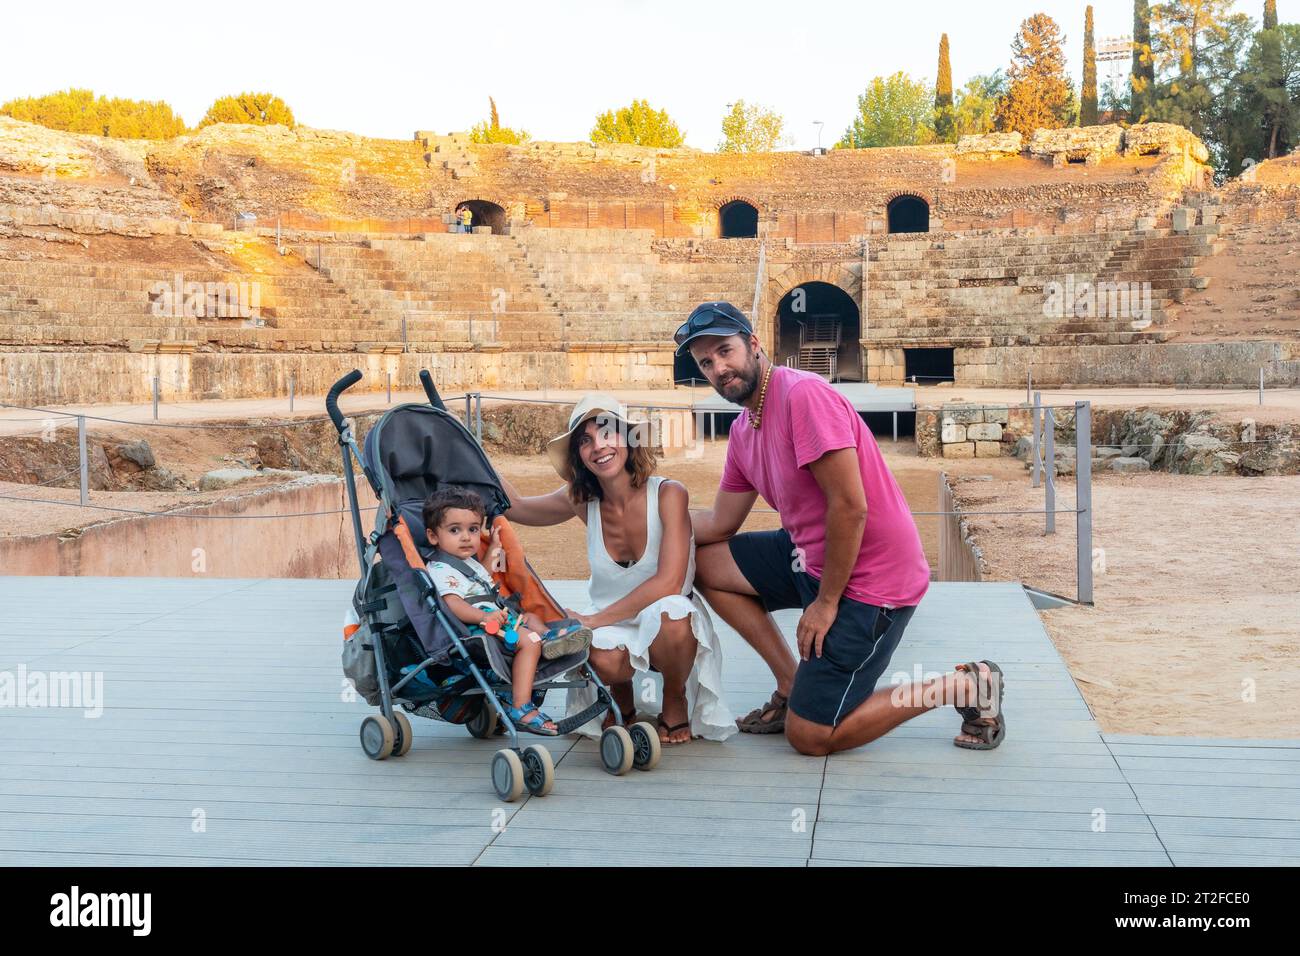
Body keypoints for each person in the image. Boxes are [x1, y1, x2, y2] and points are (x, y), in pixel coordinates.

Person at [681, 301, 1006, 756]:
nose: (719, 367)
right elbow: (719, 523)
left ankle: (965, 685)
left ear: (753, 345)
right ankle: (792, 684)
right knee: (706, 561)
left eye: (725, 351)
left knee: (812, 737)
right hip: (811, 555)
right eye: (706, 362)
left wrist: (825, 603)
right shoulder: (742, 430)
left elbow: (851, 507)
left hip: (872, 578)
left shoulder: (802, 397)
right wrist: (643, 519)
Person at [498, 395, 735, 744]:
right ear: (579, 454)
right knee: (595, 656)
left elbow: (669, 582)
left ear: (628, 438)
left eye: (608, 433)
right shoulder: (581, 500)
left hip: (662, 617)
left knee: (672, 614)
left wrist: (593, 620)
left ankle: (674, 697)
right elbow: (516, 509)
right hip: (612, 620)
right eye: (586, 440)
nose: (599, 447)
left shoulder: (669, 494)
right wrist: (470, 453)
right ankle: (622, 702)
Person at [422, 487, 589, 735]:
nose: (466, 537)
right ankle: (520, 706)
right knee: (528, 641)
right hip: (478, 630)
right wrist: (483, 617)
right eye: (455, 530)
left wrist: (495, 548)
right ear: (433, 536)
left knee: (532, 617)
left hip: (500, 620)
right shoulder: (439, 569)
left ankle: (549, 639)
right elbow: (453, 604)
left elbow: (484, 577)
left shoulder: (467, 562)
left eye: (473, 529)